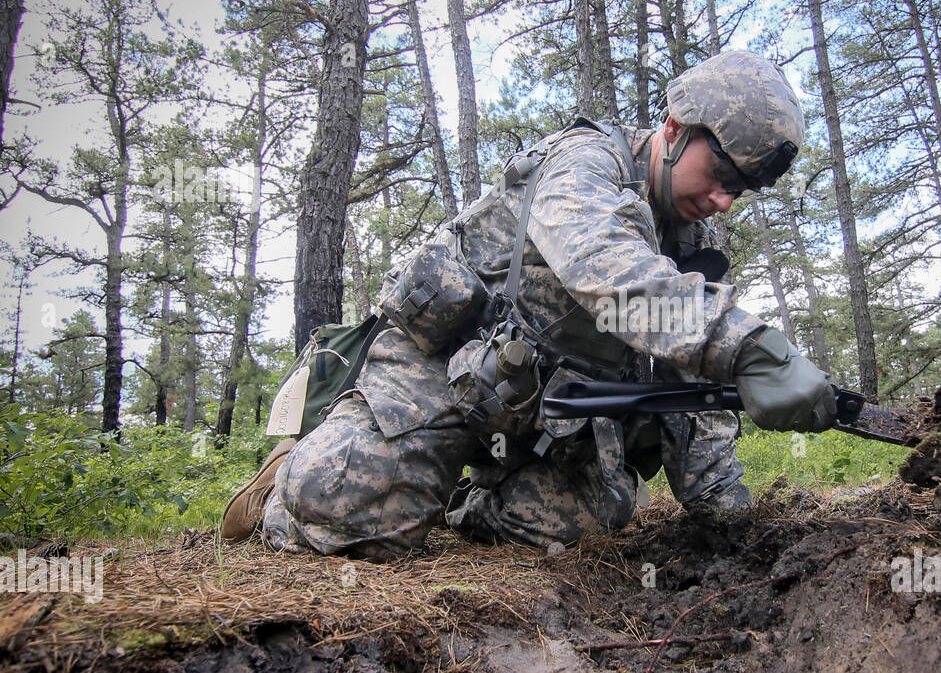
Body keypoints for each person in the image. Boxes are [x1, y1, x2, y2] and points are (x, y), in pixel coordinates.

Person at [223, 50, 837, 560]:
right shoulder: (585, 163)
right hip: (445, 367)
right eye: (722, 173)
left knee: (585, 530)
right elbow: (608, 273)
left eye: (743, 189)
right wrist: (749, 348)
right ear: (674, 131)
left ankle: (463, 503)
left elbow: (689, 390)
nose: (726, 200)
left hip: (539, 411)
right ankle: (289, 477)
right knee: (343, 505)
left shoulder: (692, 240)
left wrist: (726, 512)